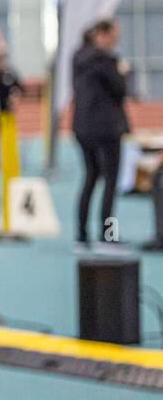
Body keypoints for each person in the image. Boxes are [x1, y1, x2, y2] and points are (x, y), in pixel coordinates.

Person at [71, 19, 130, 247]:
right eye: (114, 36)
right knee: (111, 182)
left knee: (90, 177)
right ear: (103, 35)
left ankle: (81, 234)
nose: (116, 40)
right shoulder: (107, 61)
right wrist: (122, 72)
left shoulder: (78, 58)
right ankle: (109, 235)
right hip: (107, 128)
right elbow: (120, 90)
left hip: (82, 127)